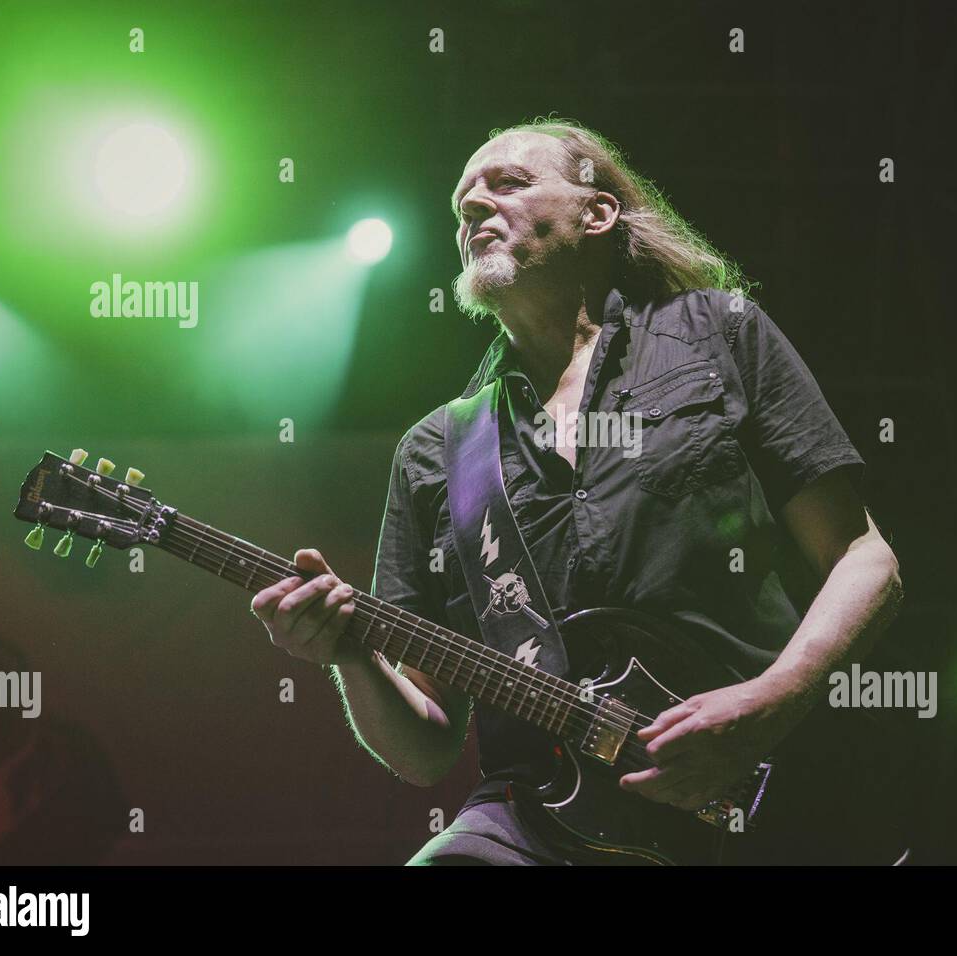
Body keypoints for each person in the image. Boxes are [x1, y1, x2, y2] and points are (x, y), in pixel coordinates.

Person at [249, 118, 904, 865]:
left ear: (597, 213)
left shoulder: (720, 335)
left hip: (769, 795)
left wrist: (766, 705)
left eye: (508, 183)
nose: (472, 207)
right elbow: (426, 746)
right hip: (539, 816)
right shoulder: (440, 450)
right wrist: (349, 656)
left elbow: (862, 557)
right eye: (462, 202)